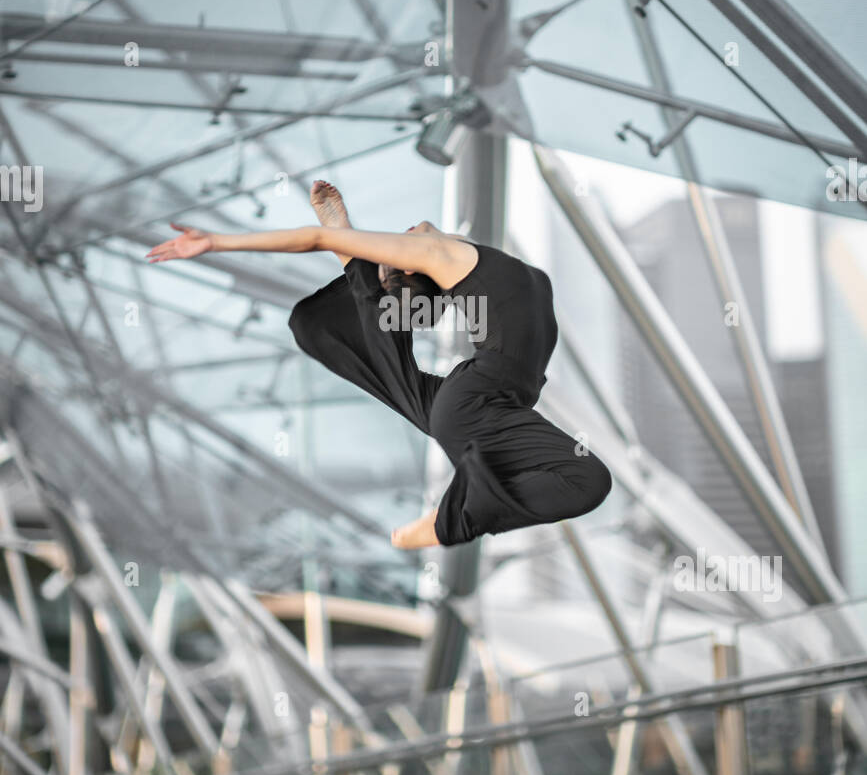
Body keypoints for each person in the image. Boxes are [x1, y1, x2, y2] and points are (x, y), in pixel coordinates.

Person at [146, 180, 612, 549]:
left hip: (481, 402)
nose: (405, 234)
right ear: (415, 266)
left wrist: (347, 239)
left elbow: (384, 304)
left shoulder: (477, 267)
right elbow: (314, 237)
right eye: (398, 252)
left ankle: (462, 511)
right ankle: (458, 519)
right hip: (481, 399)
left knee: (581, 481)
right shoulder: (445, 256)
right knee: (587, 481)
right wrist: (217, 242)